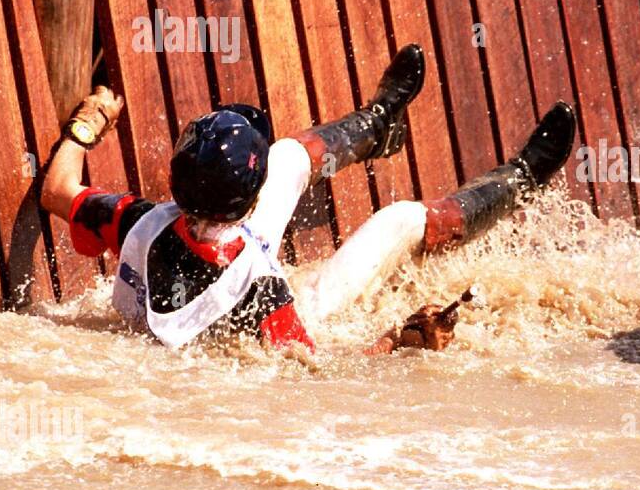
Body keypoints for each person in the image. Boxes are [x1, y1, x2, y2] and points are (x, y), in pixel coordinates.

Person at [40, 44, 575, 351]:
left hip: (219, 257)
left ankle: (379, 123)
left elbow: (56, 190)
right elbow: (313, 375)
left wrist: (87, 127)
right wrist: (402, 340)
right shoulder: (267, 292)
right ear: (249, 205)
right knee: (402, 219)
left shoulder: (140, 222)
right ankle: (522, 179)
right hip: (270, 291)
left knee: (289, 159)